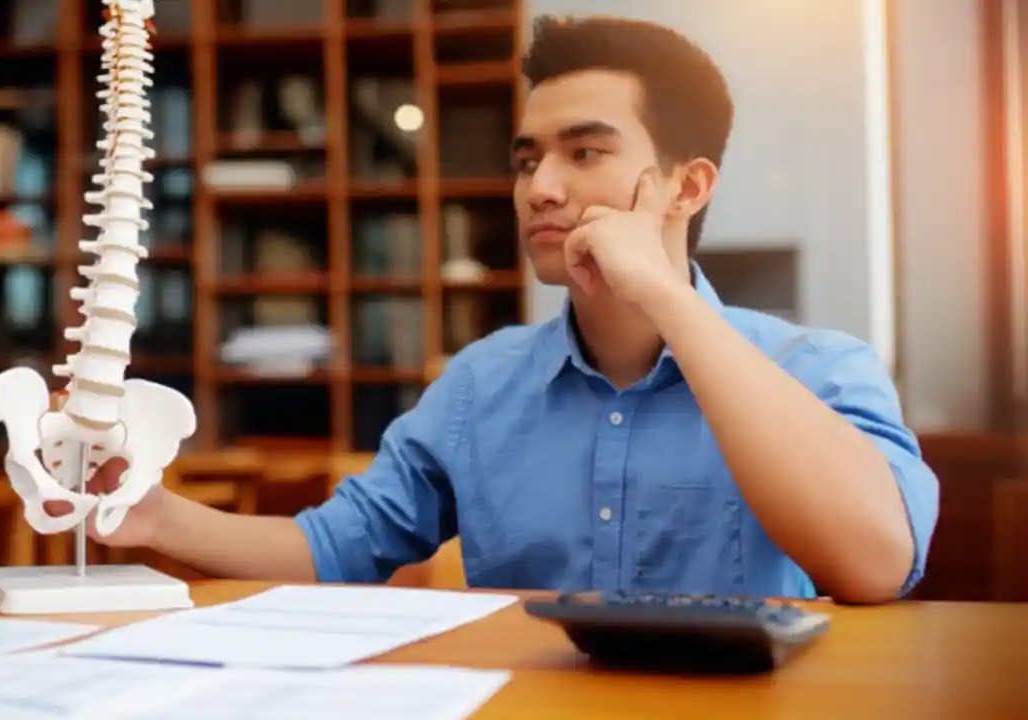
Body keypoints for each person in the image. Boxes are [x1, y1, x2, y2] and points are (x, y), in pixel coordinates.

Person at [62, 15, 939, 604]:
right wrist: (152, 516)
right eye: (527, 161)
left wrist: (665, 296)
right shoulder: (480, 385)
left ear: (687, 185)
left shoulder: (822, 368)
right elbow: (335, 549)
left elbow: (875, 565)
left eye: (585, 152)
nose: (541, 189)